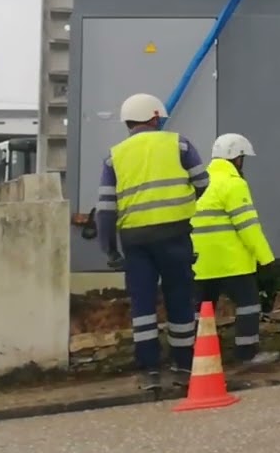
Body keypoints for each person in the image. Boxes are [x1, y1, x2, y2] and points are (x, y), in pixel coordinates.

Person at [93, 93, 209, 391]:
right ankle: (184, 367)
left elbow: (106, 209)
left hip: (135, 242)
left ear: (128, 122)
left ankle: (149, 373)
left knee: (142, 305)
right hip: (174, 236)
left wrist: (109, 249)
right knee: (180, 301)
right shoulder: (179, 144)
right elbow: (203, 185)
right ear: (155, 117)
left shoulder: (114, 156)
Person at [191, 133, 280, 369]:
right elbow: (248, 226)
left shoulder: (198, 182)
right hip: (232, 262)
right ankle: (247, 354)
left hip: (200, 264)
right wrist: (266, 258)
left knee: (201, 310)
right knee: (248, 304)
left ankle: (198, 358)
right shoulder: (233, 183)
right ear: (237, 158)